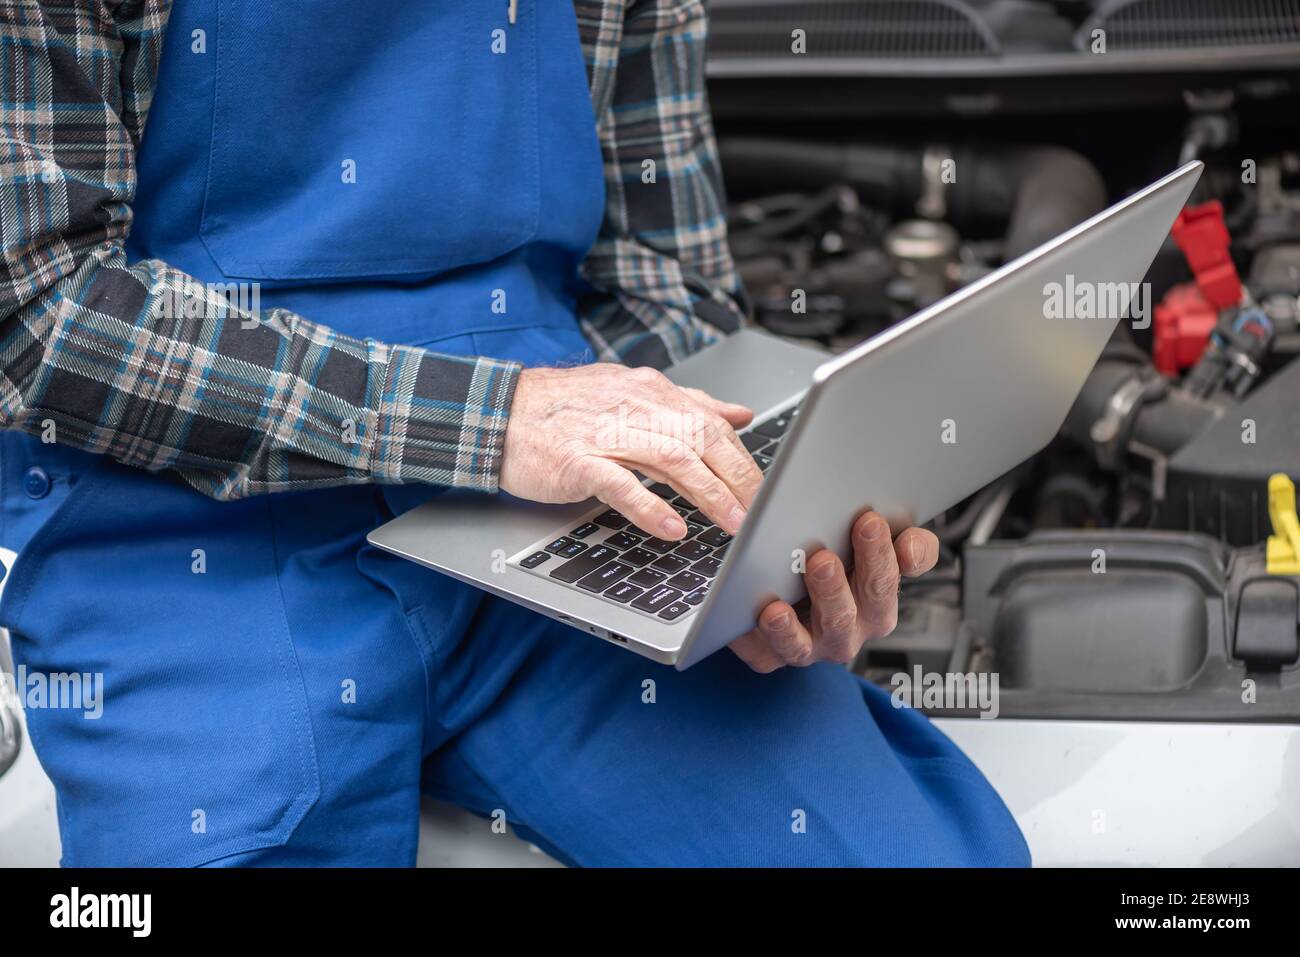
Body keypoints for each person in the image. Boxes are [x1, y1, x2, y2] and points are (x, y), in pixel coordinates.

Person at [0, 0, 1029, 866]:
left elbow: (666, 288)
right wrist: (491, 421)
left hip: (564, 531)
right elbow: (36, 310)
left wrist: (745, 542)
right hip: (180, 551)